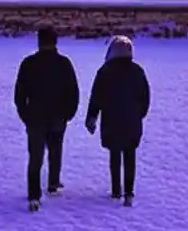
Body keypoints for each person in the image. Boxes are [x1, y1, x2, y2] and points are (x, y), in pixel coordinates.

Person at [14, 27, 79, 212]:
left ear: (39, 42)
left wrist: (25, 115)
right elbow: (73, 92)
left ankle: (34, 194)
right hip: (58, 116)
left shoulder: (28, 64)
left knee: (35, 157)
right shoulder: (64, 64)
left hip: (35, 117)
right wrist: (69, 113)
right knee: (55, 151)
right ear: (56, 42)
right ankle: (53, 183)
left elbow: (19, 94)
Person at [85, 35, 151, 207]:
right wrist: (139, 114)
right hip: (132, 120)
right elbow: (145, 97)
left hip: (111, 119)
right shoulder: (137, 71)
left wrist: (91, 117)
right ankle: (129, 192)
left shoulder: (105, 71)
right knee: (130, 154)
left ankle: (116, 190)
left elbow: (96, 97)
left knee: (115, 154)